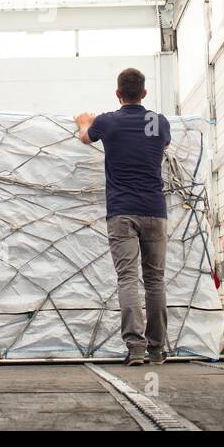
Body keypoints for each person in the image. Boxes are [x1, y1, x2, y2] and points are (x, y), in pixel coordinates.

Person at [75, 67, 171, 366]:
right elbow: (163, 144)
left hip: (122, 212)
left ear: (118, 94)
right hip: (155, 210)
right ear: (144, 93)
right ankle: (157, 349)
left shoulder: (108, 122)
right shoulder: (157, 121)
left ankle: (136, 349)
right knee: (155, 280)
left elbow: (85, 138)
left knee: (128, 278)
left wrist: (84, 121)